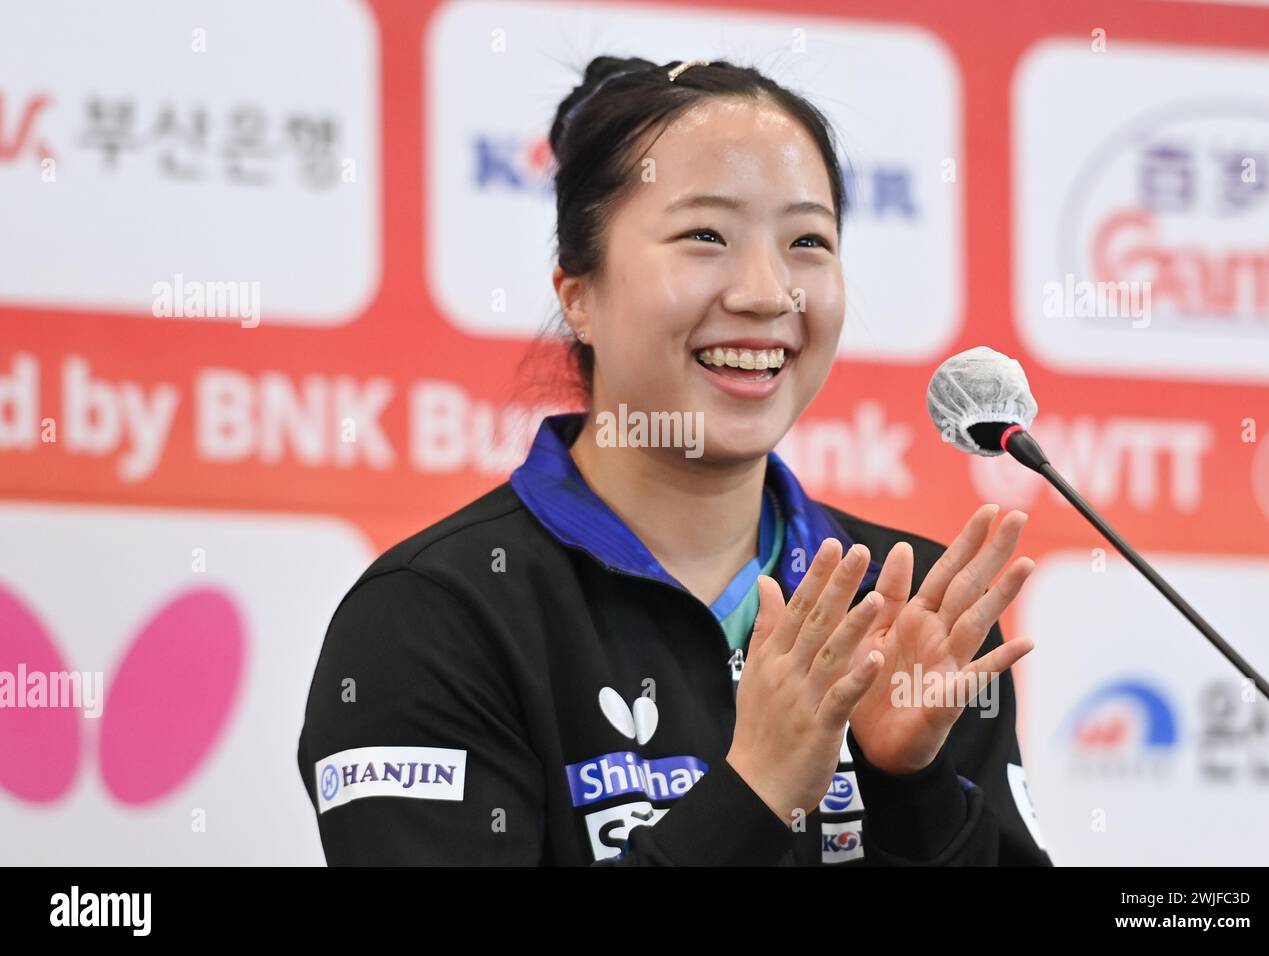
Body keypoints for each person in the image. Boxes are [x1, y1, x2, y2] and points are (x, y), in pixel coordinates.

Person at [295, 56, 1052, 866]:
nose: (767, 293)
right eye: (705, 237)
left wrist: (914, 789)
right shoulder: (434, 615)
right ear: (579, 295)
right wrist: (752, 793)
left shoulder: (909, 609)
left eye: (807, 241)